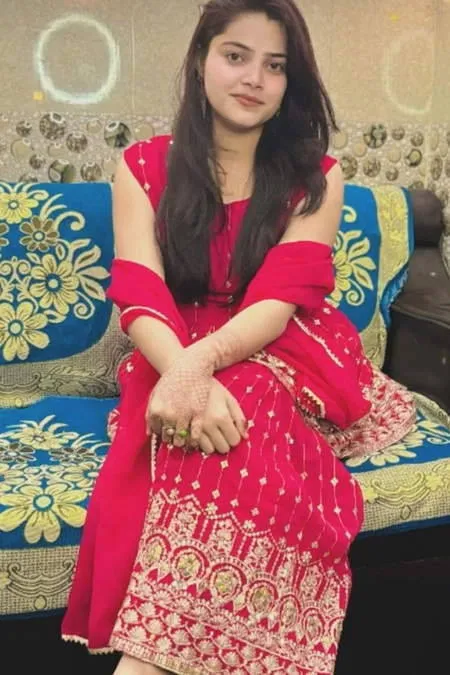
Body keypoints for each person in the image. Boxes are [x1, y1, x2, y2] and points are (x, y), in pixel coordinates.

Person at [62, 1, 415, 673]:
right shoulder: (142, 167)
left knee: (241, 393)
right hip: (169, 341)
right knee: (193, 417)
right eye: (235, 56)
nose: (254, 77)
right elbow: (140, 292)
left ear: (290, 83)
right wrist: (183, 371)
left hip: (278, 341)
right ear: (201, 61)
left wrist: (197, 370)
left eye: (274, 66)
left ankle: (146, 662)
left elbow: (277, 303)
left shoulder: (317, 177)